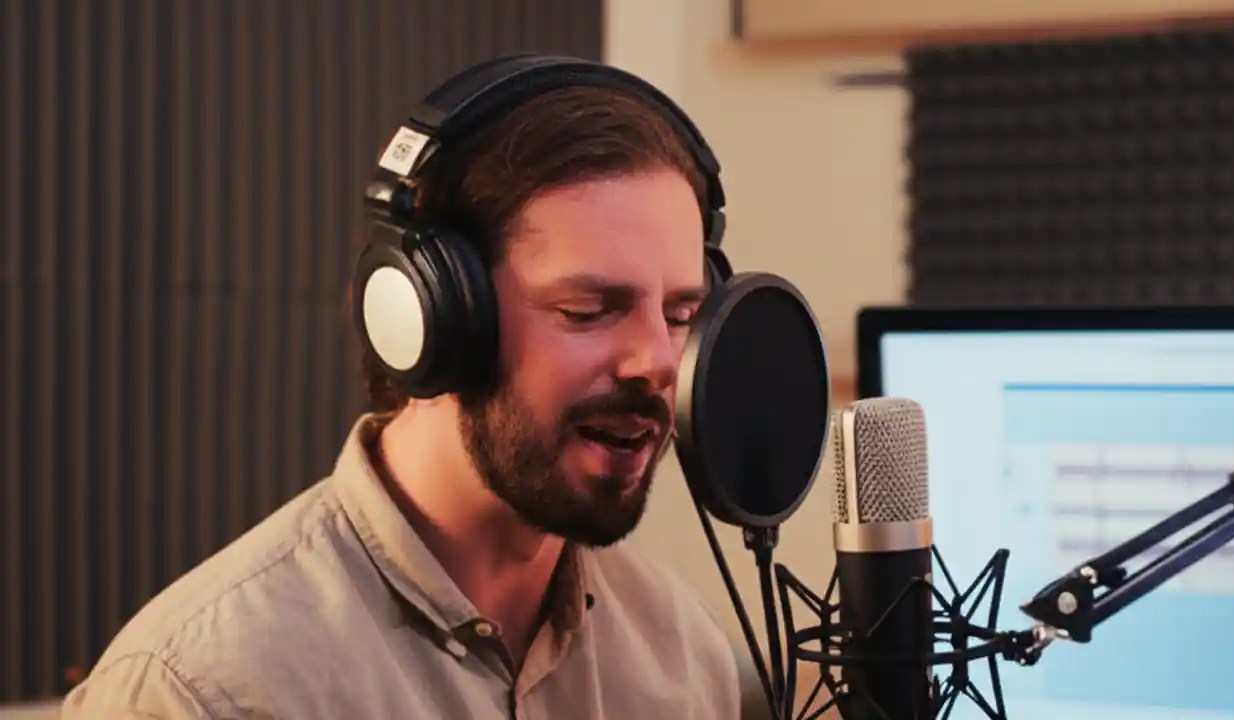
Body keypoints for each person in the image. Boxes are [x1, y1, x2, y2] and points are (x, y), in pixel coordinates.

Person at [61, 55, 743, 719]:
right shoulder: (205, 692)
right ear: (435, 313)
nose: (656, 361)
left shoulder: (683, 655)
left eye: (682, 314)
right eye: (586, 312)